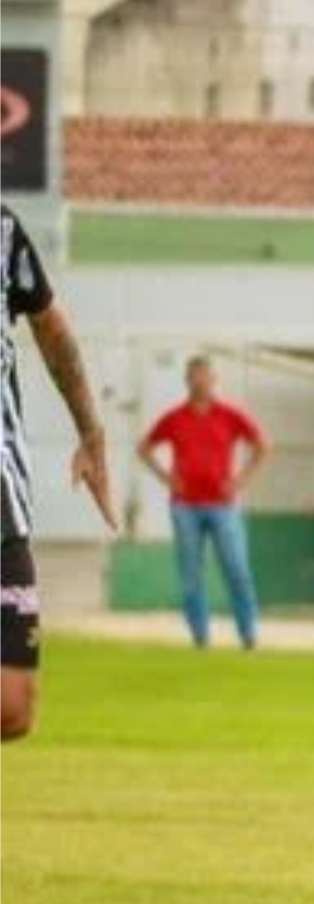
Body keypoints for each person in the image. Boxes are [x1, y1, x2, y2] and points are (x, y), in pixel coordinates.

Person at [1, 203, 117, 766]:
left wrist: (91, 431)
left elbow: (52, 329)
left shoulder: (3, 229)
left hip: (2, 499)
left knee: (14, 705)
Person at [134, 355, 268, 651]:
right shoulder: (175, 417)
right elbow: (144, 448)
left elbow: (262, 445)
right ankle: (200, 637)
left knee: (237, 569)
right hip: (185, 506)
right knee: (191, 574)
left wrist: (240, 480)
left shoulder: (230, 415)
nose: (201, 381)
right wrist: (166, 477)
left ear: (213, 379)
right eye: (195, 376)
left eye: (205, 376)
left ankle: (248, 635)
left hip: (223, 504)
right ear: (188, 380)